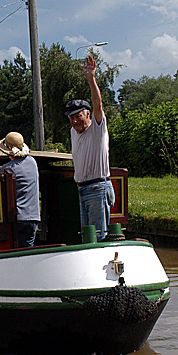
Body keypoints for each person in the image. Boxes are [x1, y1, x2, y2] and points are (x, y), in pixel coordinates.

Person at [65, 55, 115, 240]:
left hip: (98, 188)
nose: (75, 121)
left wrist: (91, 79)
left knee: (98, 235)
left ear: (88, 114)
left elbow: (97, 104)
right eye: (72, 118)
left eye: (78, 116)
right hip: (82, 189)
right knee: (88, 236)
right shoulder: (73, 131)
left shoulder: (97, 128)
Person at [0, 132, 40, 247]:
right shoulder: (33, 162)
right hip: (33, 217)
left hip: (17, 218)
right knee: (27, 250)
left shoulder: (6, 169)